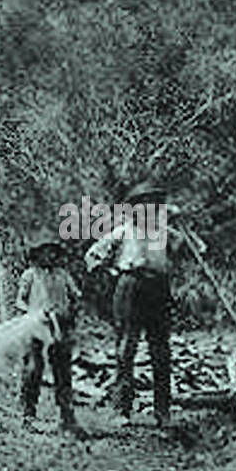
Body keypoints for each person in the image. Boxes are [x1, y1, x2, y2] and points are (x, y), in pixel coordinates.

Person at [84, 180, 174, 427]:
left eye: (155, 204)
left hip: (158, 288)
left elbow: (199, 248)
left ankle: (163, 412)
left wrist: (184, 227)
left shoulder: (163, 232)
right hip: (130, 286)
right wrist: (112, 272)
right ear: (135, 208)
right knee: (126, 348)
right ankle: (122, 410)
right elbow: (92, 255)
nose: (150, 209)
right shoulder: (124, 231)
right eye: (144, 204)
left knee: (161, 349)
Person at [17, 230, 82, 433]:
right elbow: (20, 300)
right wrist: (33, 313)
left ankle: (66, 414)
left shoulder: (63, 275)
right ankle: (28, 415)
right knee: (33, 370)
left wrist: (71, 313)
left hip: (59, 327)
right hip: (36, 327)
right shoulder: (30, 275)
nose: (50, 256)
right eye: (45, 252)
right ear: (37, 254)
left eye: (53, 252)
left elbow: (76, 296)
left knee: (63, 371)